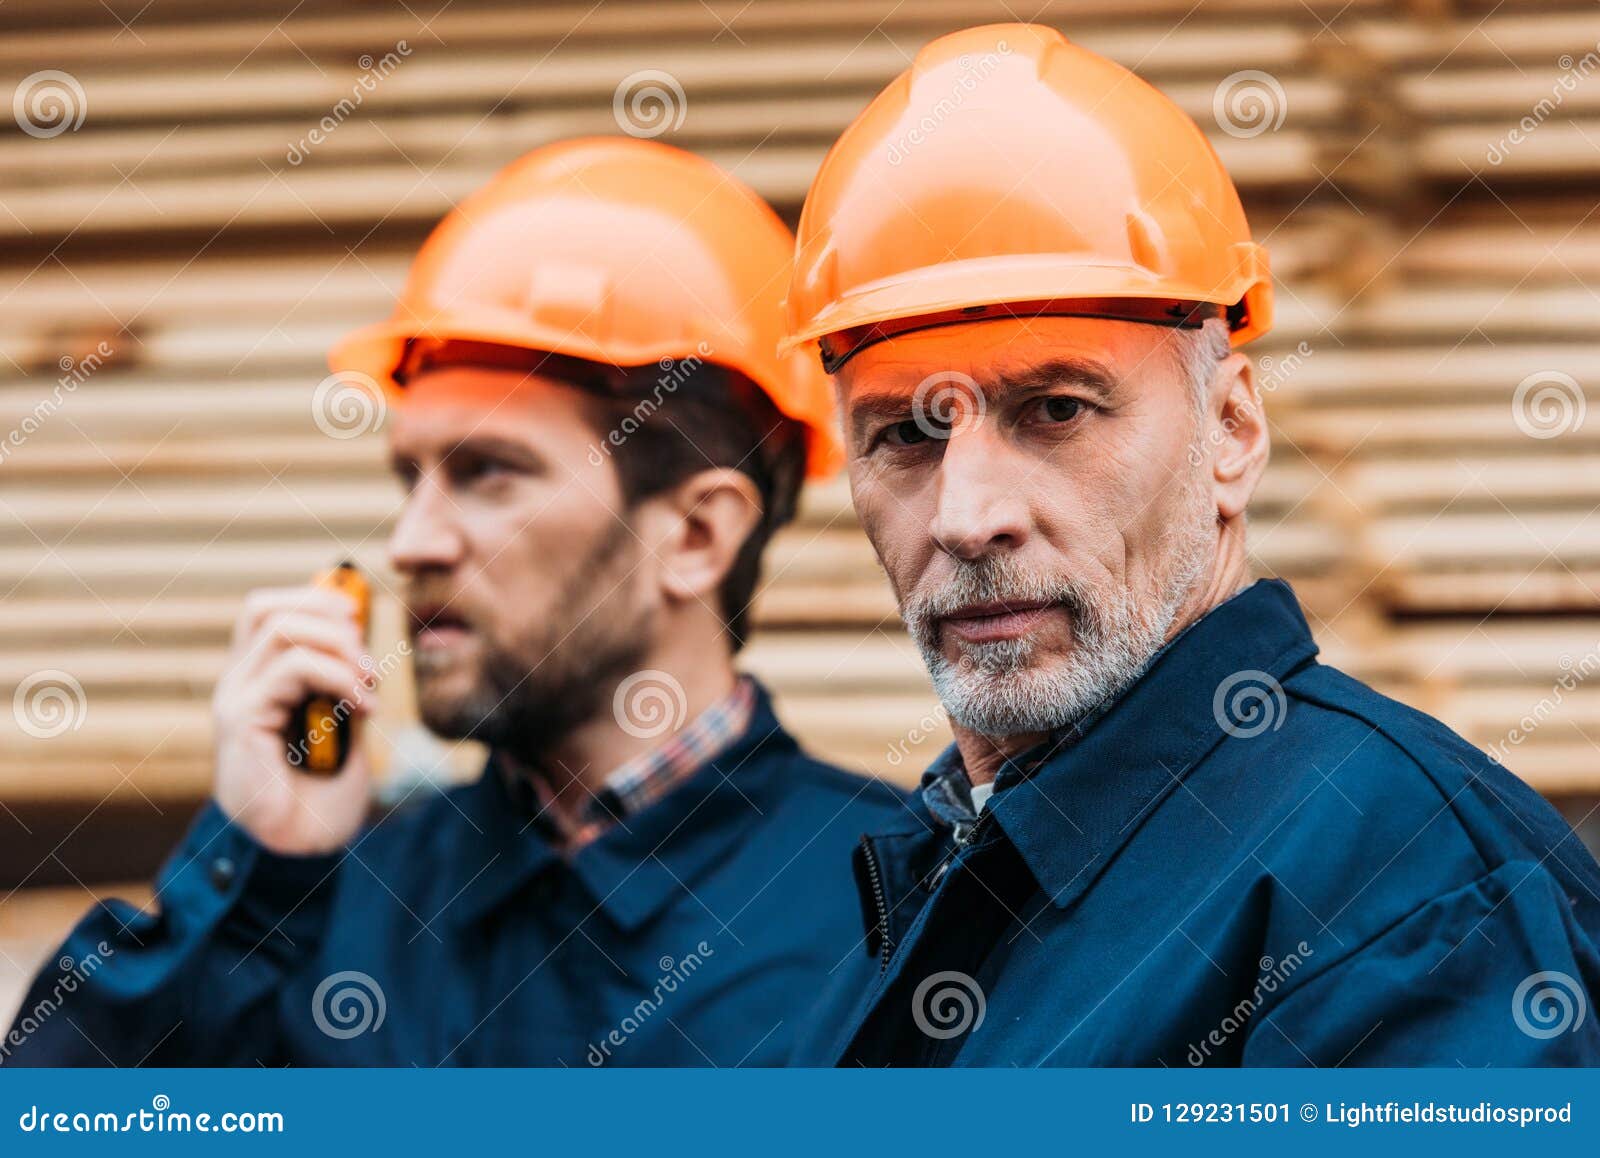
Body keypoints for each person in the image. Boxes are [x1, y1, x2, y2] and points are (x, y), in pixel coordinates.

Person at [782, 24, 1600, 1066]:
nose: (964, 515)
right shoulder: (930, 867)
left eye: (1056, 410)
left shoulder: (1405, 893)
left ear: (1231, 433)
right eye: (906, 433)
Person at [6, 138, 907, 1067]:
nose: (412, 543)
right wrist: (251, 881)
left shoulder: (903, 910)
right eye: (412, 478)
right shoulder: (324, 906)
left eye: (487, 474)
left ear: (695, 536)